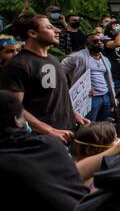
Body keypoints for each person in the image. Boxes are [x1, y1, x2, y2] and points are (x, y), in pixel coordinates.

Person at [1, 12, 83, 140]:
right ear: (33, 33)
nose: (57, 31)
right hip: (41, 139)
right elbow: (14, 109)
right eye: (49, 27)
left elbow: (58, 95)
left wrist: (74, 115)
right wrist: (49, 130)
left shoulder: (54, 60)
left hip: (66, 132)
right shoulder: (17, 65)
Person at [62, 30, 117, 124]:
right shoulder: (77, 57)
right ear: (87, 45)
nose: (99, 43)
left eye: (100, 41)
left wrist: (113, 96)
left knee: (102, 126)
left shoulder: (105, 60)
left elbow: (109, 79)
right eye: (95, 41)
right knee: (88, 126)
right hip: (90, 98)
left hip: (106, 96)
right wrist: (76, 88)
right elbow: (60, 71)